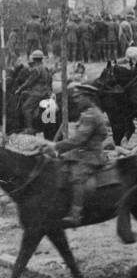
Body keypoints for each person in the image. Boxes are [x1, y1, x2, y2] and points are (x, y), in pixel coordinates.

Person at [50, 83, 110, 227]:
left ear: (88, 98)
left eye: (79, 97)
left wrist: (55, 146)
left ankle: (76, 213)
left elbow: (79, 139)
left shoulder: (91, 115)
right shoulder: (89, 112)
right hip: (83, 152)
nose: (76, 100)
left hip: (91, 155)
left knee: (77, 175)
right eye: (75, 97)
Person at [18, 50, 53, 133]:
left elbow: (29, 82)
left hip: (38, 93)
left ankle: (29, 128)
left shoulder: (36, 69)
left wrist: (20, 89)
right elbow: (50, 80)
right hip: (47, 92)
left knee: (26, 108)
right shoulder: (45, 68)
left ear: (33, 59)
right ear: (41, 59)